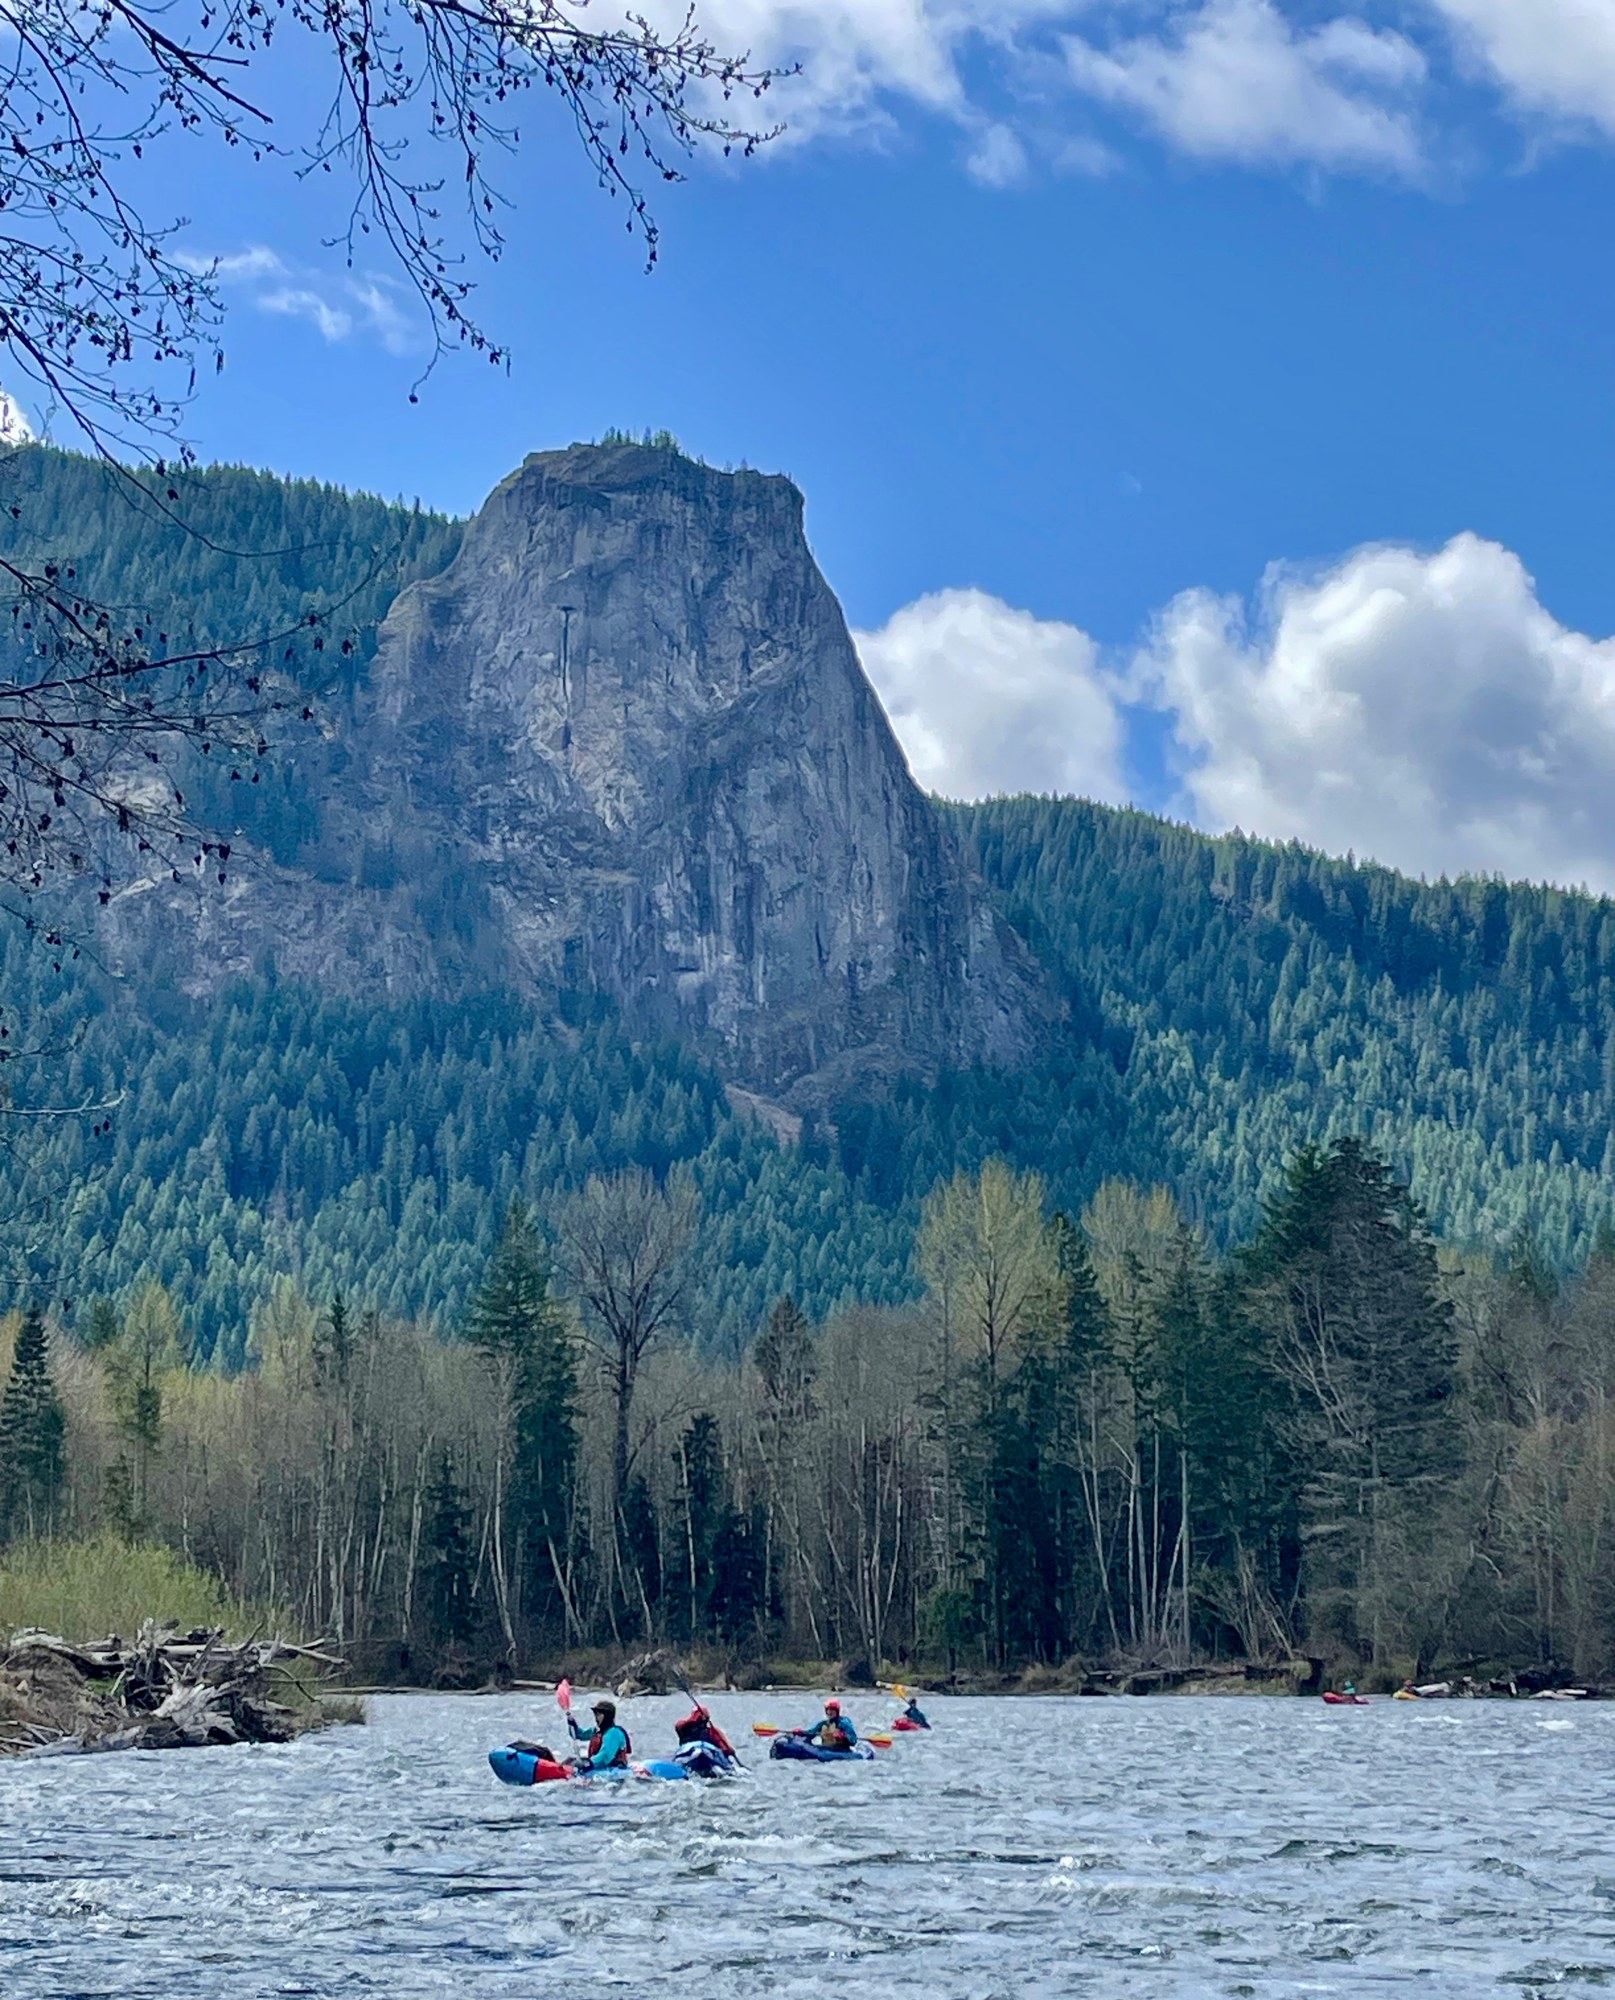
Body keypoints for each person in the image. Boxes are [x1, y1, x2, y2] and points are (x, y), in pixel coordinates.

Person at [672, 1702, 739, 1775]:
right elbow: (678, 1725)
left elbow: (726, 1748)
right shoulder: (684, 1728)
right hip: (691, 1750)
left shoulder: (713, 1732)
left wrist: (730, 1751)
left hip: (708, 1750)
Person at [568, 1697, 632, 1772]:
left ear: (607, 1716)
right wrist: (573, 1725)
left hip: (614, 1770)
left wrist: (588, 1763)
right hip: (598, 1768)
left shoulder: (614, 1733)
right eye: (595, 1714)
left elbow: (605, 1755)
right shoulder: (596, 1731)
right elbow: (579, 1735)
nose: (596, 1718)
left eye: (598, 1715)